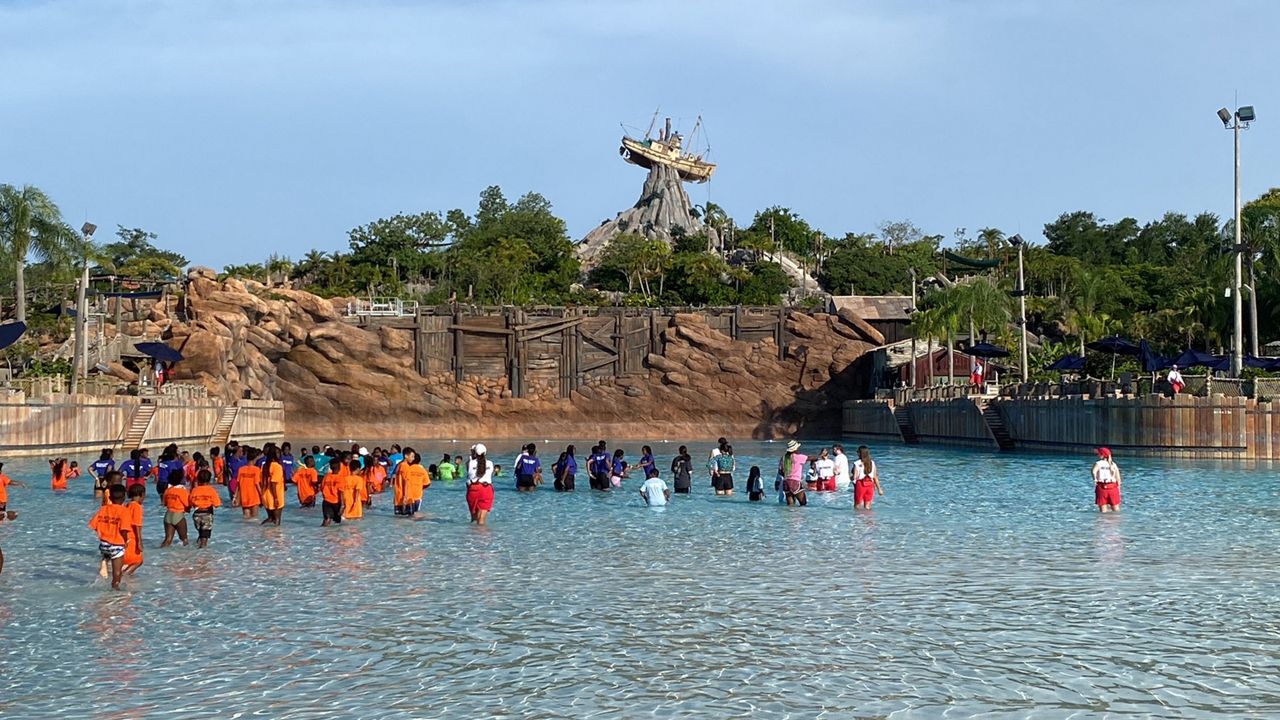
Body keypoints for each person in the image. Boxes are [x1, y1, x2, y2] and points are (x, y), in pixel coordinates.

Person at [89, 485, 131, 589]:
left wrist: (103, 533)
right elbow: (124, 530)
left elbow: (93, 525)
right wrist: (126, 541)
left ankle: (105, 561)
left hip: (104, 544)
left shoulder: (103, 509)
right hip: (117, 545)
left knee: (109, 560)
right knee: (117, 572)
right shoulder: (124, 511)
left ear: (110, 498)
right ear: (124, 497)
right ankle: (115, 589)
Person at [189, 470, 222, 549]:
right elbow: (217, 504)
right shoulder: (211, 490)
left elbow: (191, 503)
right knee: (205, 537)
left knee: (201, 534)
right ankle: (202, 555)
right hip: (207, 514)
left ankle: (198, 548)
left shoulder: (194, 490)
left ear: (198, 479)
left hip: (196, 515)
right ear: (209, 479)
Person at [466, 444, 495, 525]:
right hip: (486, 489)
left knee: (473, 519)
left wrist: (472, 453)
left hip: (473, 489)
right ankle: (481, 536)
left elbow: (469, 467)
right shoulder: (490, 463)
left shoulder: (470, 463)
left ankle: (472, 536)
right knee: (481, 520)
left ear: (474, 453)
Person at [121, 483, 146, 575]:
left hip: (125, 537)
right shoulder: (137, 507)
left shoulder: (127, 505)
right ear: (141, 495)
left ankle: (124, 575)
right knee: (138, 561)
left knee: (128, 561)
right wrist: (139, 541)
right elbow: (137, 525)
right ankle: (124, 576)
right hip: (132, 538)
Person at [161, 472, 191, 547]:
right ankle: (189, 557)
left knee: (168, 539)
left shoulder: (167, 491)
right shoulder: (182, 491)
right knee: (184, 540)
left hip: (168, 515)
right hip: (178, 515)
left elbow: (164, 503)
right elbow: (187, 504)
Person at [397, 448, 430, 518]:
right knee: (413, 516)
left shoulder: (401, 465)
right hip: (410, 497)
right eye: (412, 456)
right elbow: (427, 483)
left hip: (400, 497)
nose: (413, 458)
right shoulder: (409, 467)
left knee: (402, 519)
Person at [261, 446, 287, 526]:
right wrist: (276, 498)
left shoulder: (265, 466)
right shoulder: (277, 467)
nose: (280, 454)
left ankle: (262, 532)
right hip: (275, 495)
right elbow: (273, 483)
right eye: (278, 453)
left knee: (270, 518)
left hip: (266, 495)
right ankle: (276, 537)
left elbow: (263, 482)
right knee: (277, 520)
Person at [853, 445, 883, 510]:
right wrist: (879, 489)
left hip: (860, 484)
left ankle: (857, 519)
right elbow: (875, 477)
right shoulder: (872, 463)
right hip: (870, 484)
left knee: (857, 505)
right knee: (867, 506)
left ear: (860, 453)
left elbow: (855, 477)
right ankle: (869, 519)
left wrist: (850, 478)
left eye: (858, 452)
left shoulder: (857, 463)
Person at [1092, 447, 1122, 512]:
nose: (1097, 455)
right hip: (1113, 487)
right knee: (1116, 509)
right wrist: (1119, 489)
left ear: (1102, 455)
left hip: (1102, 487)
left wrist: (1095, 479)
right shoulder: (1113, 464)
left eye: (1098, 454)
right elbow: (1118, 479)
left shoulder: (1098, 463)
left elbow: (1093, 471)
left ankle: (1104, 521)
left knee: (1103, 511)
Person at [779, 441, 808, 506]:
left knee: (790, 505)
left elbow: (780, 472)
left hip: (786, 482)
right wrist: (821, 455)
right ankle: (800, 516)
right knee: (803, 503)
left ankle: (790, 515)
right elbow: (811, 458)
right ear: (795, 449)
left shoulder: (783, 458)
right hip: (795, 482)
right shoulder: (798, 457)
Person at [236, 449, 263, 519]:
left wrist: (236, 497)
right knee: (254, 519)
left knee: (246, 519)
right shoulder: (257, 470)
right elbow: (257, 484)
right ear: (255, 459)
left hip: (244, 497)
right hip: (254, 497)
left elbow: (238, 485)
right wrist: (262, 496)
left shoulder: (241, 469)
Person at [320, 458, 345, 527]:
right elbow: (341, 493)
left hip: (326, 501)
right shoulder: (340, 478)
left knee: (327, 519)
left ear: (330, 467)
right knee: (337, 522)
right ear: (340, 467)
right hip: (336, 502)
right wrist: (343, 505)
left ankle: (321, 534)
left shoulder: (326, 477)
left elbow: (322, 488)